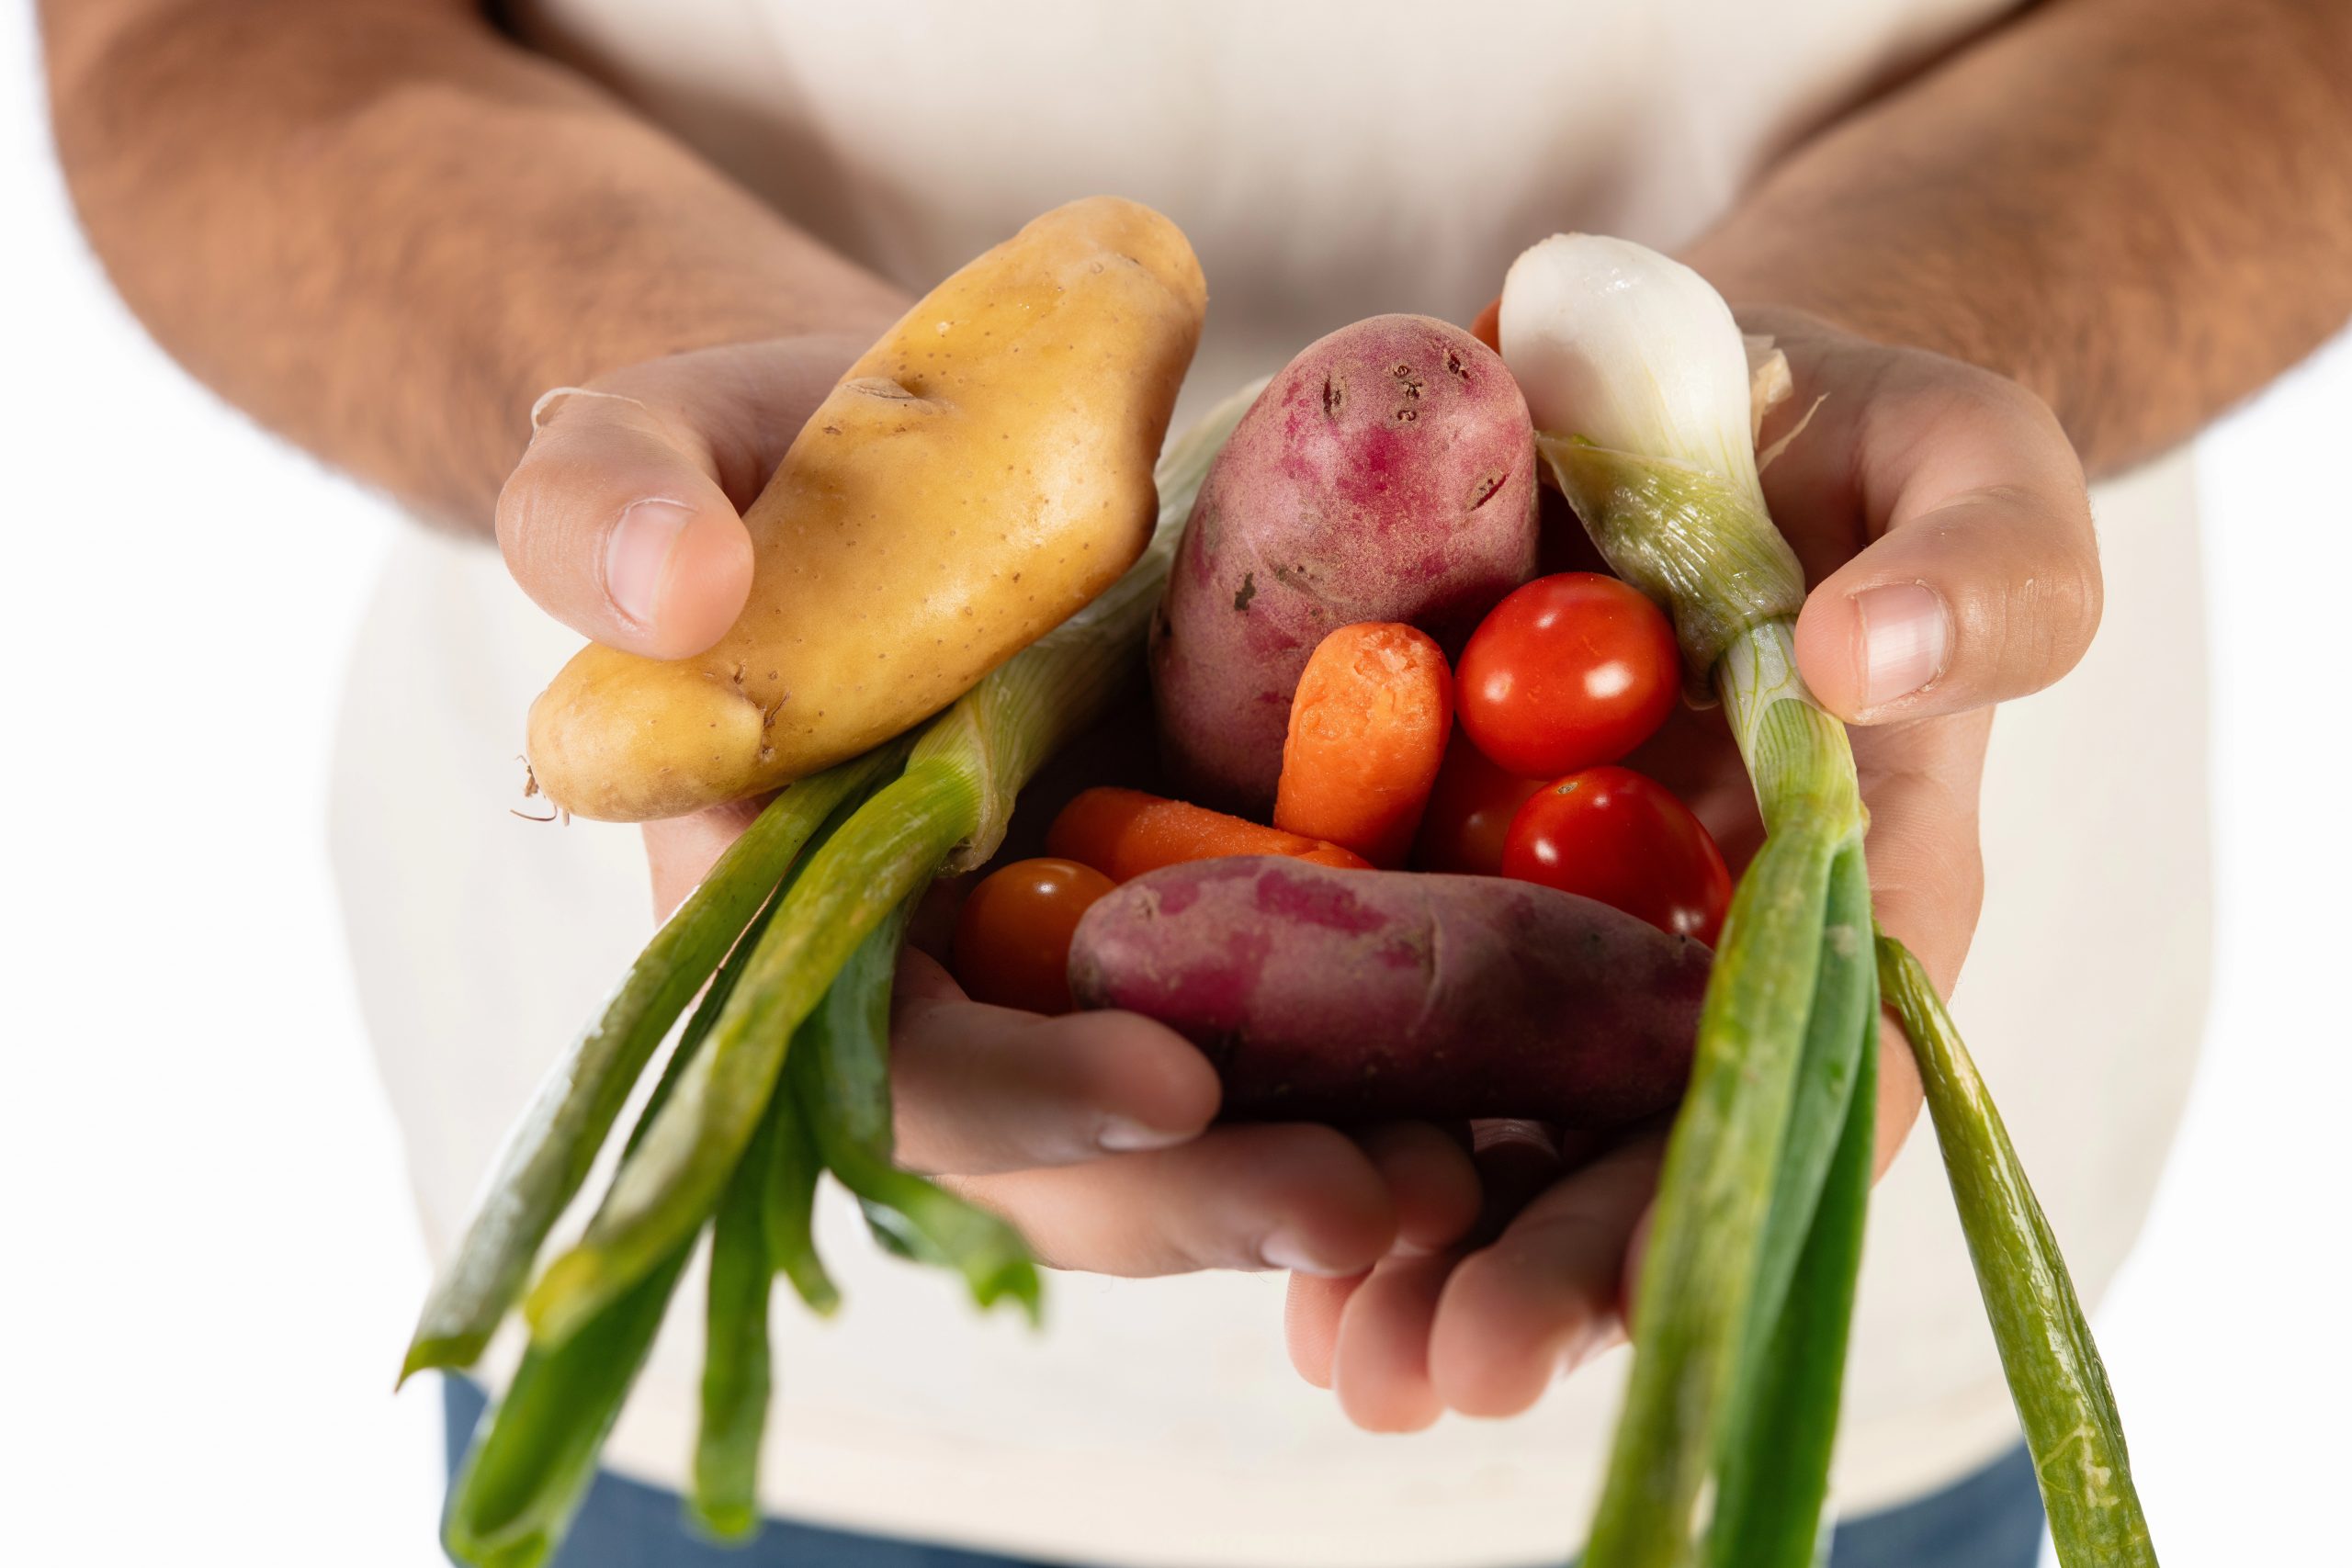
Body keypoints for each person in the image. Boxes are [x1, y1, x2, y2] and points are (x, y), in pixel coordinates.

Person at [41, 1, 2352, 1563]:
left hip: (1834, 1342)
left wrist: (1812, 391)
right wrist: (765, 484)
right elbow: (199, 38)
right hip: (763, 1383)